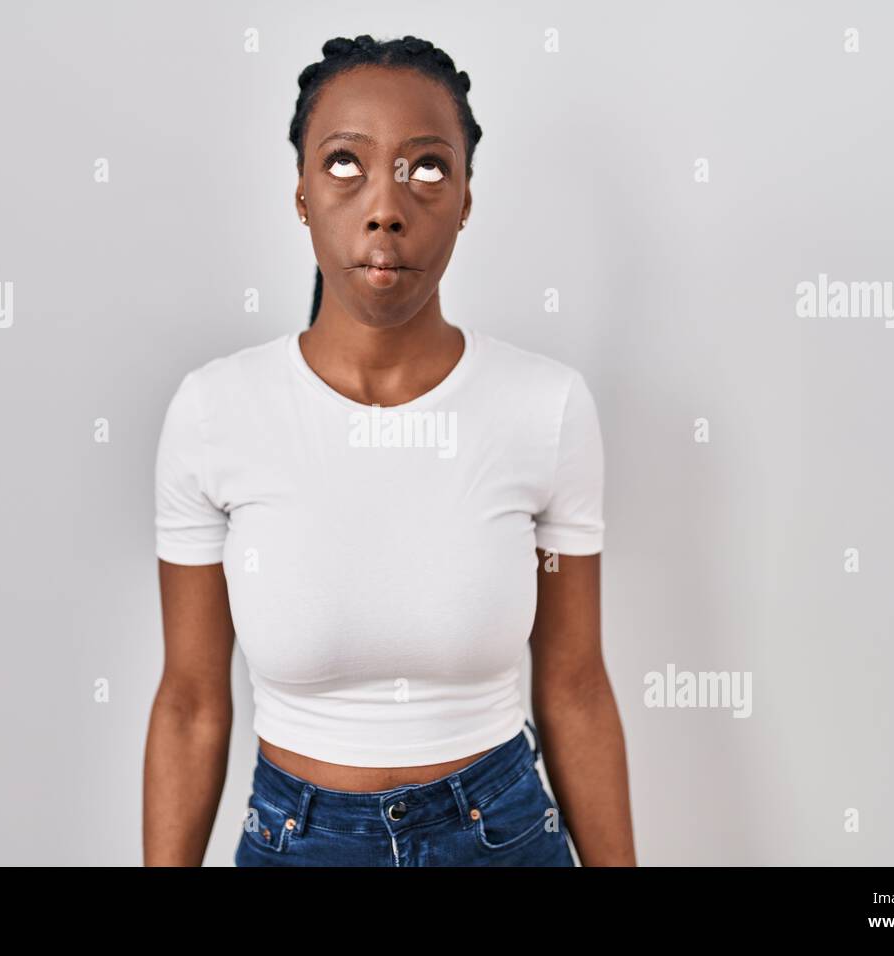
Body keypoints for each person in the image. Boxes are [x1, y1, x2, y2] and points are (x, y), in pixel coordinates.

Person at [144, 33, 636, 867]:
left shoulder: (544, 408)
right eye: (344, 163)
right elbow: (191, 703)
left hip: (503, 837)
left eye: (426, 167)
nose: (385, 206)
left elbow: (575, 686)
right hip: (297, 842)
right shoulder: (214, 412)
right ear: (300, 193)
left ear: (468, 197)